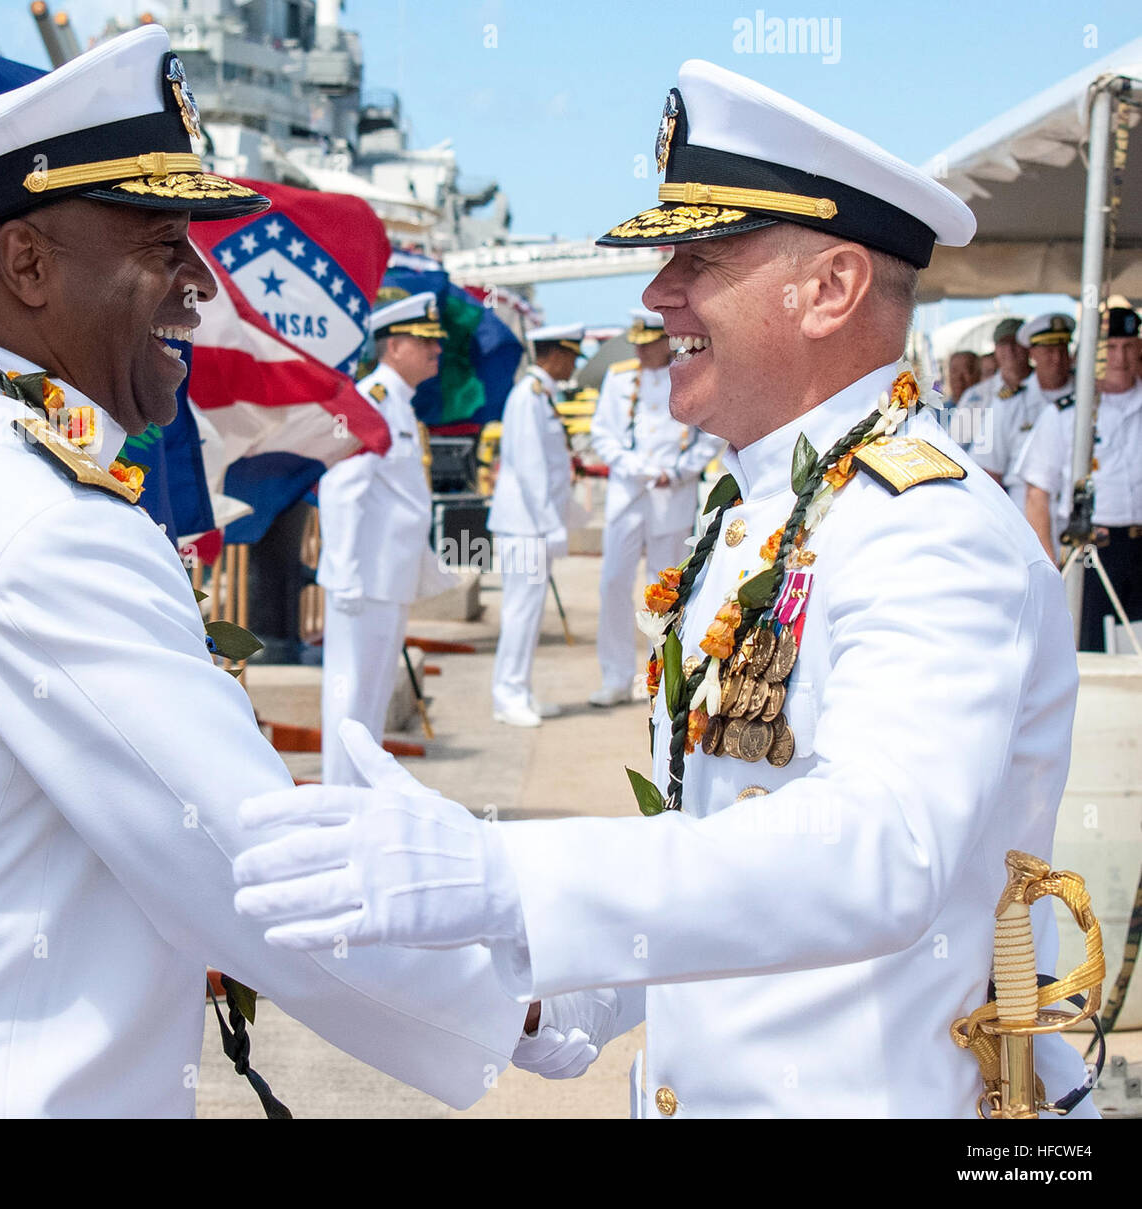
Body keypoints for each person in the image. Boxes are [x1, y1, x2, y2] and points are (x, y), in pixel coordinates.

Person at [232, 57, 1094, 1118]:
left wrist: (509, 871)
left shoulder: (928, 530)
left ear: (829, 289)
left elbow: (878, 853)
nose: (655, 294)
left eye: (701, 256)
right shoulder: (762, 512)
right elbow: (727, 836)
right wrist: (556, 997)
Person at [0, 25, 527, 1117]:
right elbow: (250, 868)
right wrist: (539, 991)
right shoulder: (41, 526)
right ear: (27, 264)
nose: (201, 287)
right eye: (164, 245)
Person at [317, 292, 445, 785]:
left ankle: (358, 803)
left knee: (369, 696)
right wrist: (345, 574)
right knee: (350, 698)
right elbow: (343, 490)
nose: (436, 352)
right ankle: (341, 805)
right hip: (363, 580)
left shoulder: (397, 403)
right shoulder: (374, 400)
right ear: (393, 347)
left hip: (384, 578)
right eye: (425, 342)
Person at [589, 308, 718, 706]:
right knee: (613, 582)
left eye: (648, 344)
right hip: (629, 492)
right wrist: (639, 469)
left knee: (665, 590)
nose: (641, 352)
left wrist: (679, 471)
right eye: (637, 345)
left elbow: (709, 434)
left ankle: (662, 675)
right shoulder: (619, 378)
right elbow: (603, 435)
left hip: (671, 494)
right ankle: (615, 675)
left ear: (666, 341)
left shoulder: (691, 372)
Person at [1016, 305, 1142, 650]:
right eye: (1110, 348)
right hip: (1093, 552)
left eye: (1128, 346)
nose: (1120, 357)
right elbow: (1037, 494)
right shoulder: (1065, 414)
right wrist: (1049, 568)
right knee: (1092, 655)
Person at [487, 324, 582, 727]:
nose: (574, 364)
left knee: (528, 613)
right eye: (572, 356)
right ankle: (507, 695)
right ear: (555, 354)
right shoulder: (529, 396)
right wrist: (549, 525)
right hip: (526, 525)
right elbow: (530, 468)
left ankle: (519, 691)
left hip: (531, 524)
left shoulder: (540, 395)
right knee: (520, 614)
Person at [973, 313, 1073, 513]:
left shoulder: (1088, 398)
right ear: (1032, 353)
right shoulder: (1009, 404)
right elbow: (989, 472)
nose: (1057, 358)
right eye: (1049, 350)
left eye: (1063, 349)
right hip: (1025, 513)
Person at [955, 316, 1027, 455]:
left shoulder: (1045, 386)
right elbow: (956, 445)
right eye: (1003, 343)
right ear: (996, 349)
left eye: (1016, 342)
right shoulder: (976, 395)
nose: (1010, 349)